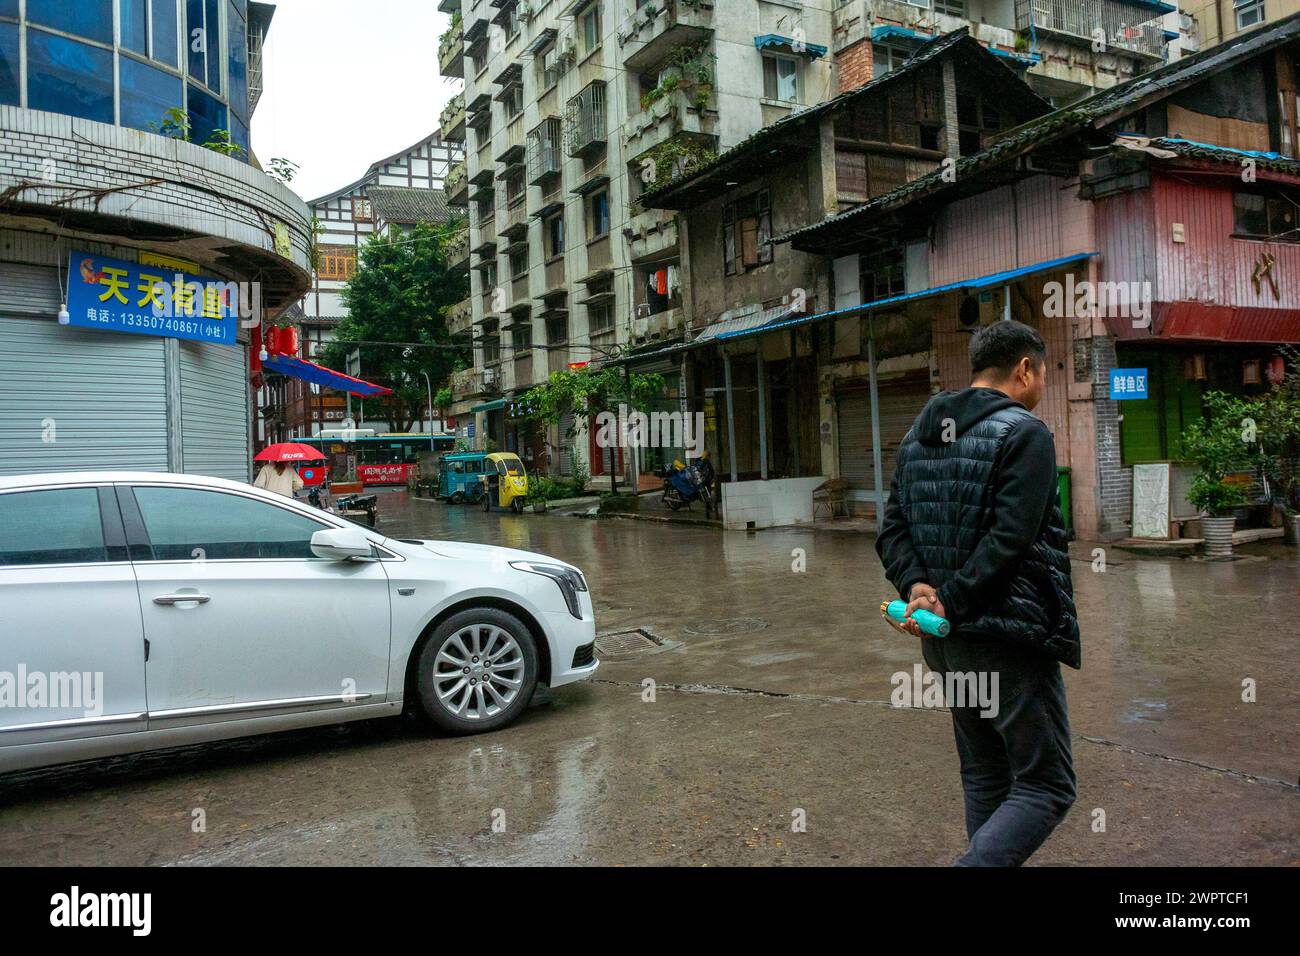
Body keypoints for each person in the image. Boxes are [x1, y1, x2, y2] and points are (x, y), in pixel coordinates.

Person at [875, 319, 1081, 867]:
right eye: (1044, 372)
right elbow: (1010, 539)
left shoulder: (919, 434)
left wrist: (918, 587)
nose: (1042, 385)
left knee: (987, 773)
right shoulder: (1024, 433)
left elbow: (892, 529)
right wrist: (951, 600)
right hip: (1006, 638)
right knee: (1046, 785)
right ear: (1023, 369)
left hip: (946, 641)